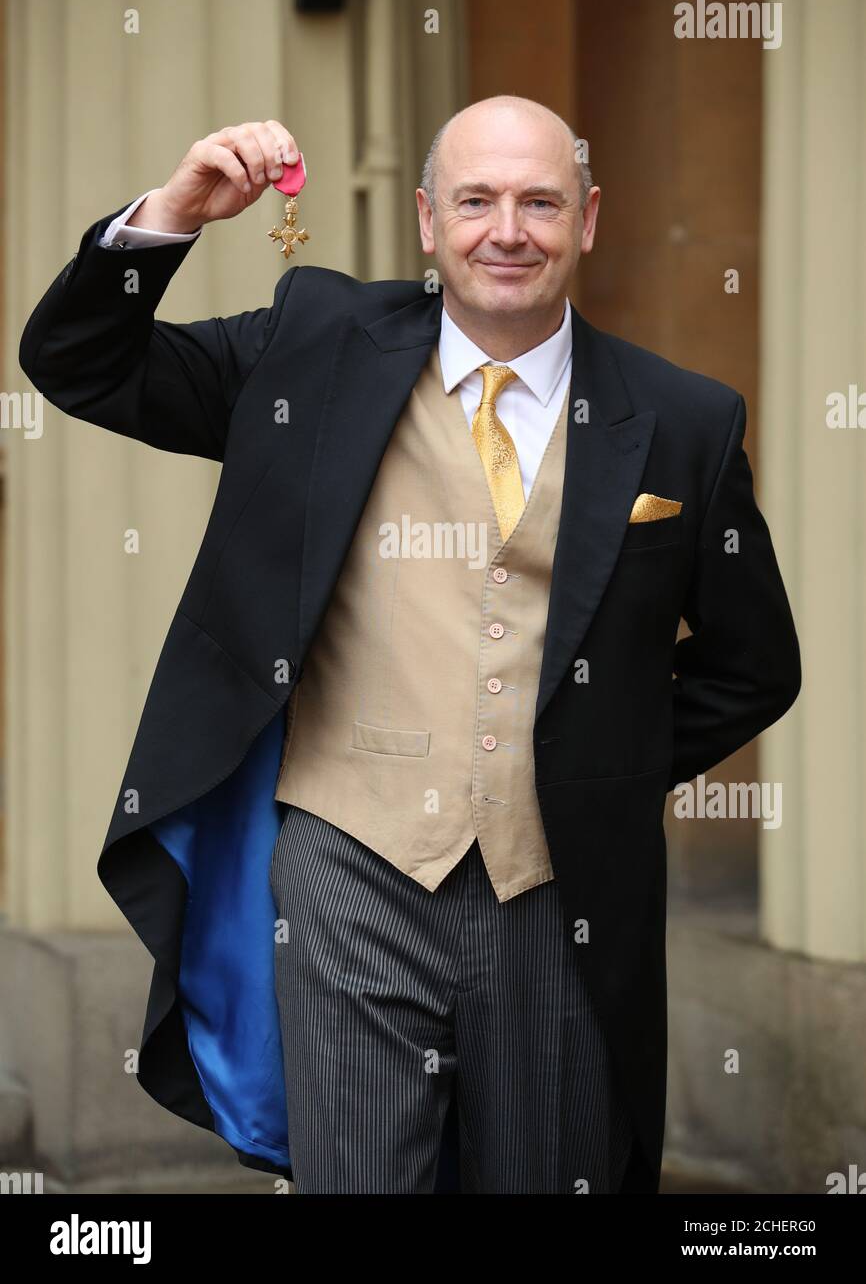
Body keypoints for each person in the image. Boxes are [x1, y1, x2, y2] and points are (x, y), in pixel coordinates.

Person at [19, 95, 801, 1194]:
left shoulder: (681, 417)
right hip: (347, 872)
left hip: (557, 894)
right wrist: (173, 215)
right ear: (429, 221)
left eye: (538, 202)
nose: (506, 230)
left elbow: (753, 662)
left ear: (586, 221)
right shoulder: (312, 349)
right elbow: (81, 362)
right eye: (475, 200)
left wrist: (597, 765)